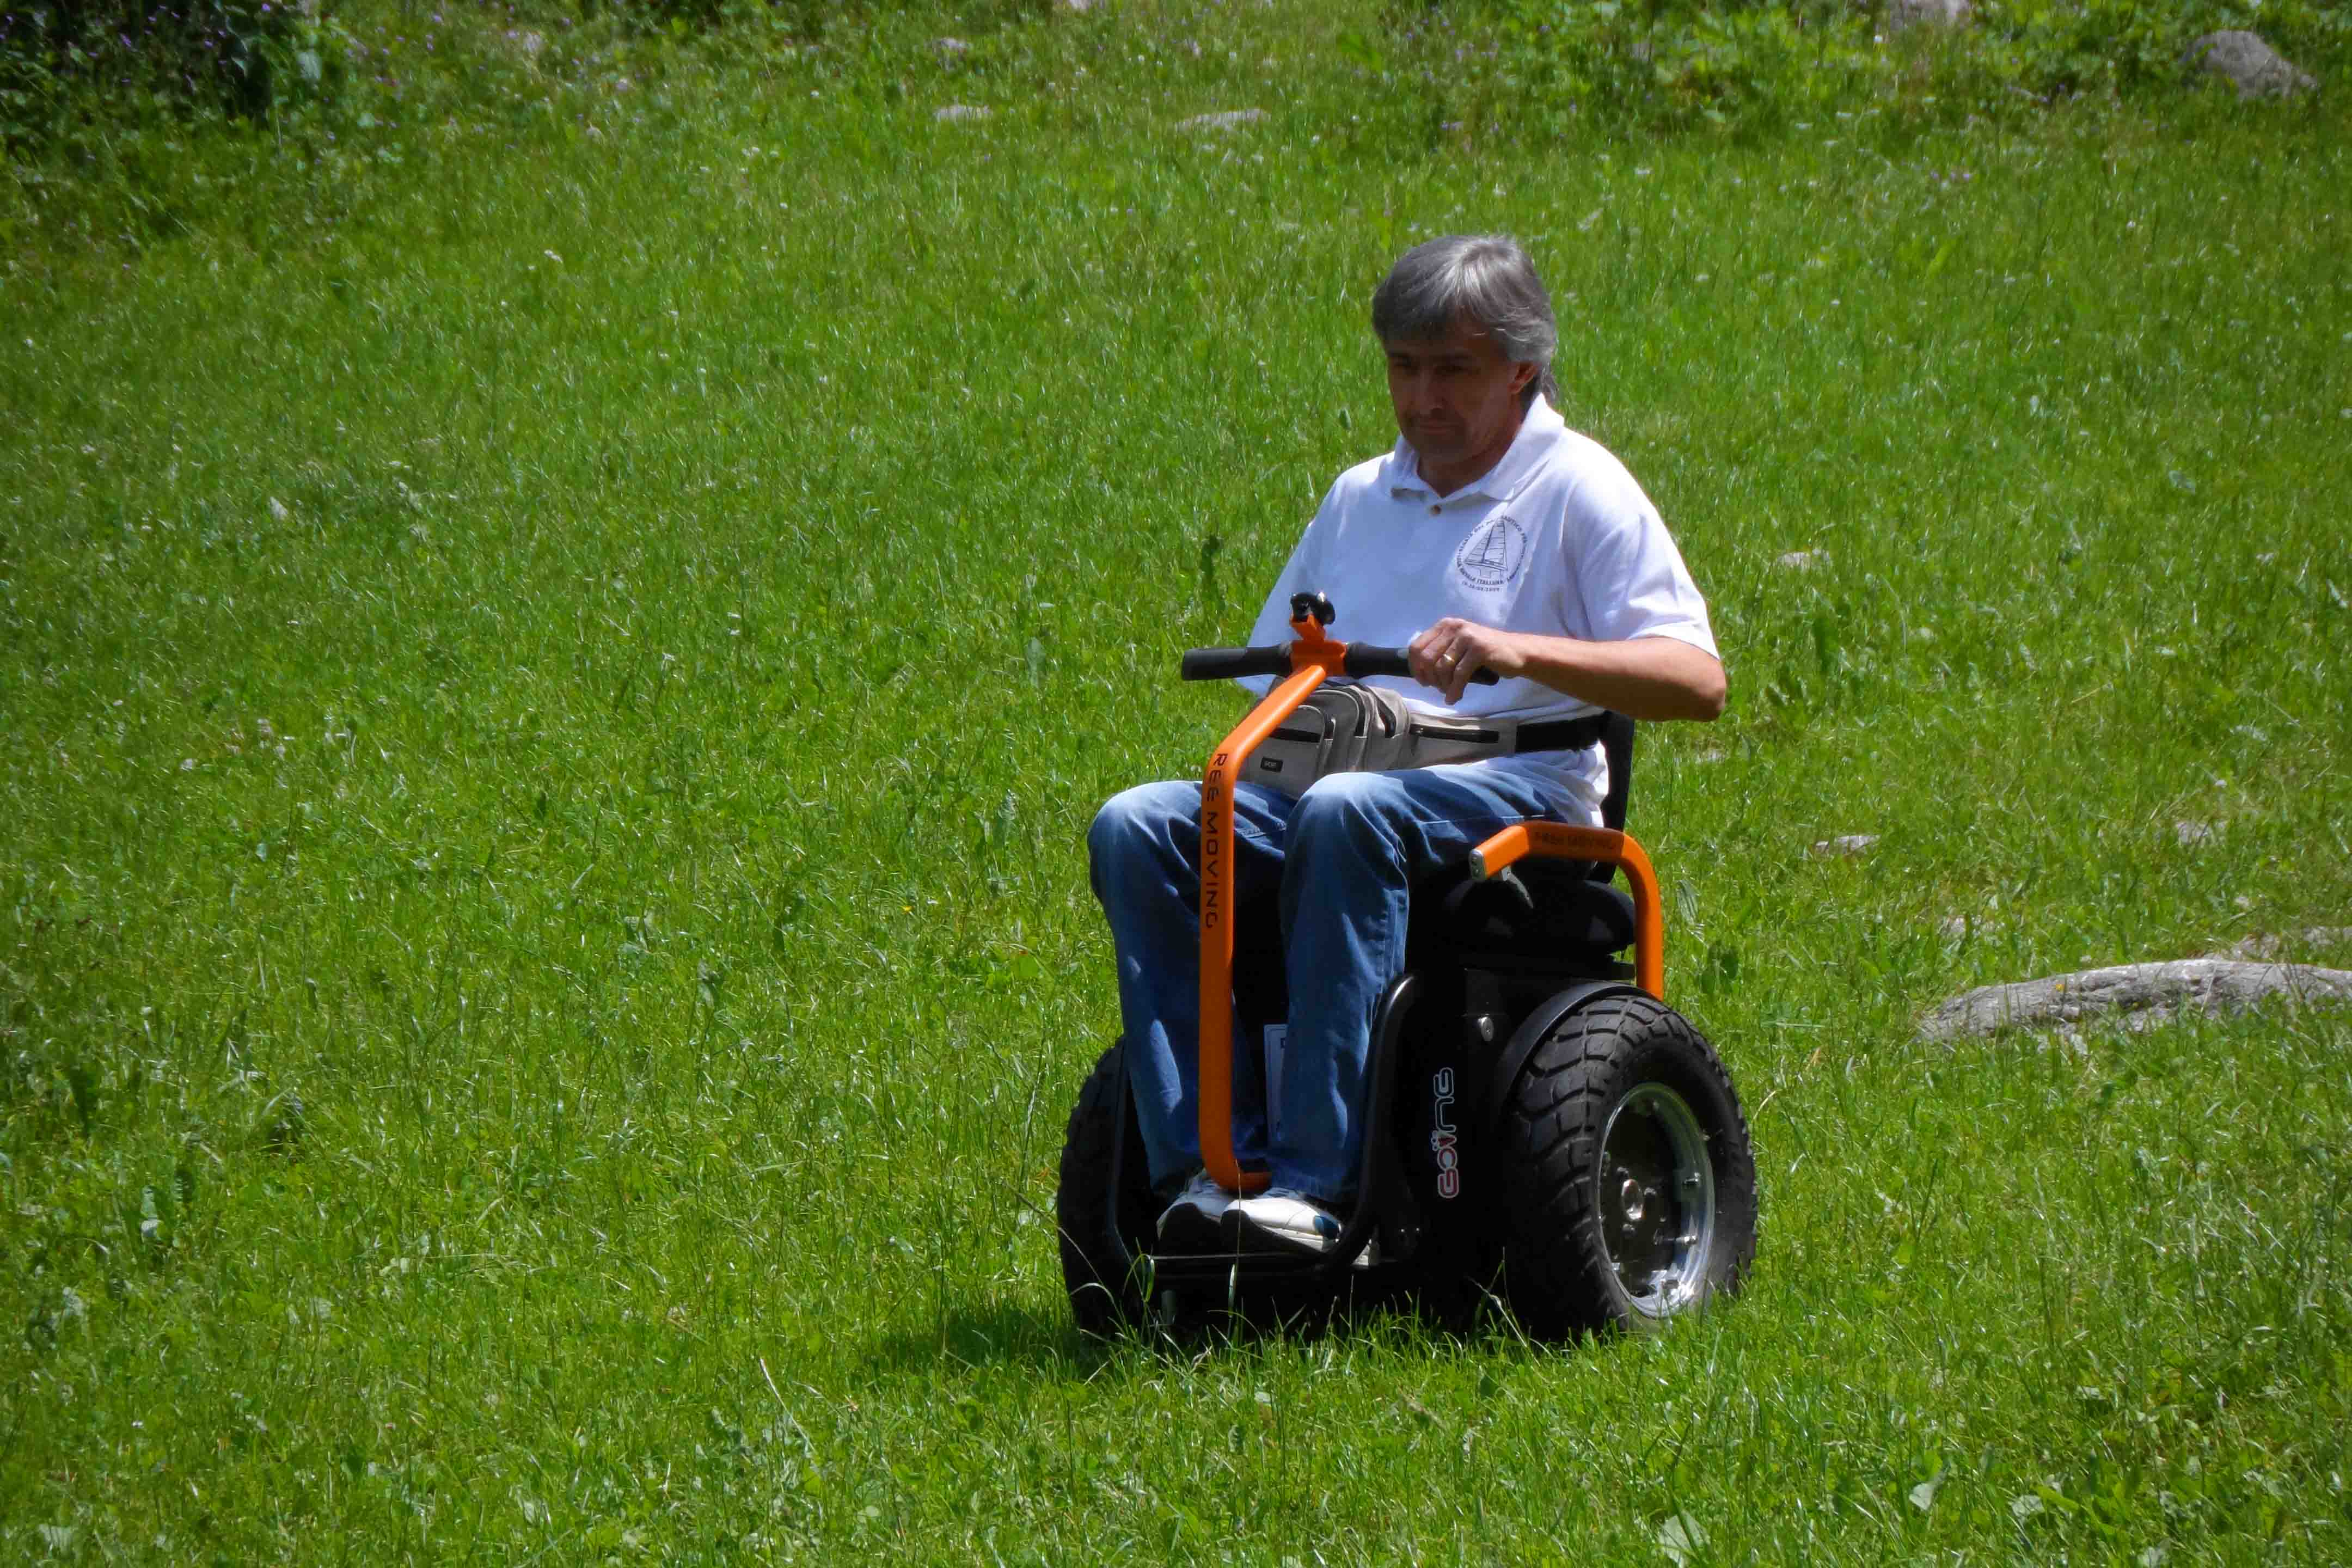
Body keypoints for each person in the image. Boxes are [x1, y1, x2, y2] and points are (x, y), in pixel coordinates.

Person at [1088, 235, 1725, 1256]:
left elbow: (1699, 682)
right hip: (1353, 772)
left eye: (1452, 370)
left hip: (1519, 791)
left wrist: (1514, 647)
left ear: (1522, 368)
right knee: (1141, 826)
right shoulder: (1358, 496)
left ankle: (1314, 1189)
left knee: (1350, 813)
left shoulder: (1579, 487)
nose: (1422, 396)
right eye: (1403, 367)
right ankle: (1202, 1178)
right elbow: (1275, 683)